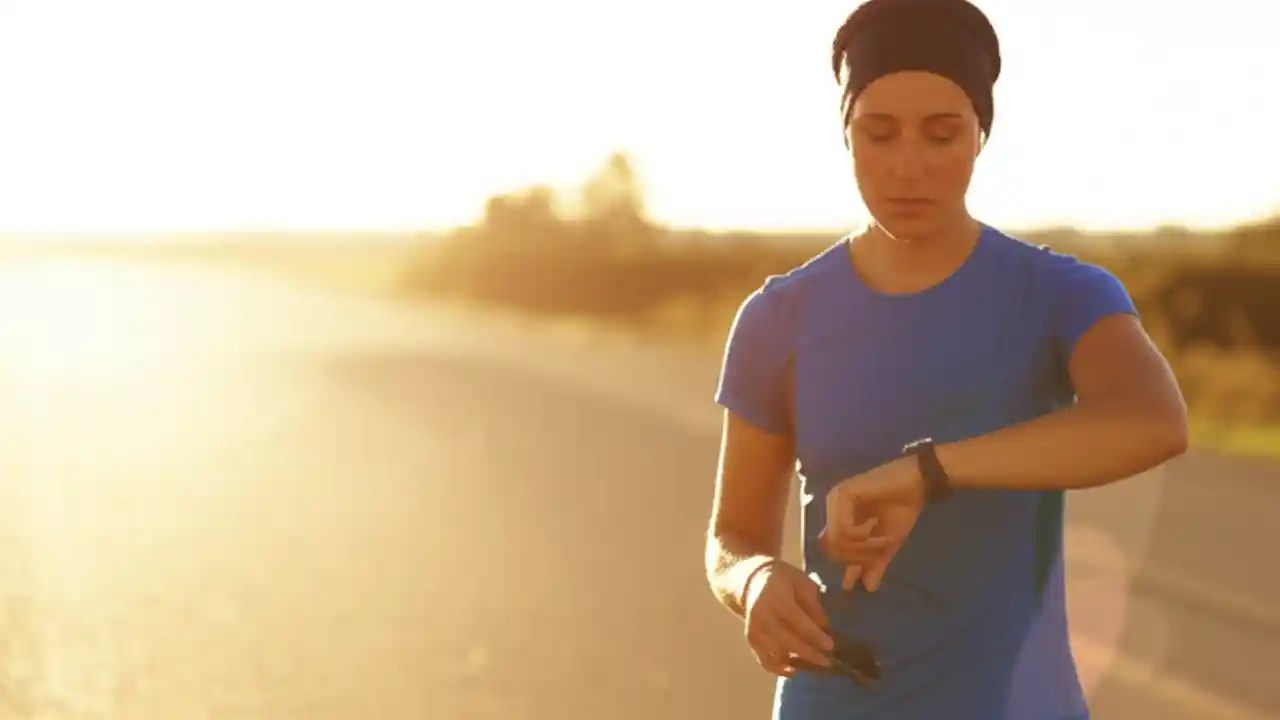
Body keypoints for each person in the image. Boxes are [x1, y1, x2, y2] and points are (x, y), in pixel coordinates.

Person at [703, 0, 1189, 717]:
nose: (908, 167)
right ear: (846, 134)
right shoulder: (779, 317)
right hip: (834, 698)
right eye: (878, 132)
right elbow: (733, 536)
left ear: (980, 136)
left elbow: (1154, 421)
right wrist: (753, 582)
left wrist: (926, 473)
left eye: (941, 134)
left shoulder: (1058, 294)